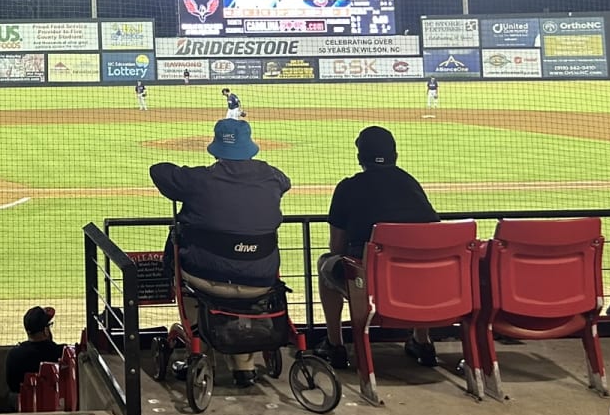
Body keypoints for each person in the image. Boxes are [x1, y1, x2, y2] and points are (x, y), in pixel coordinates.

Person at [150, 118, 290, 387]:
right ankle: (244, 365)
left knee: (187, 277)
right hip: (260, 281)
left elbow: (159, 171)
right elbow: (285, 181)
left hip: (205, 279)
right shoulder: (271, 176)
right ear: (250, 149)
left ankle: (200, 350)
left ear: (215, 150)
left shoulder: (199, 180)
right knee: (239, 287)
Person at [314, 126, 440, 370]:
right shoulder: (410, 184)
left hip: (370, 285)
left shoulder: (348, 187)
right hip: (420, 284)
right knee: (418, 266)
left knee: (325, 264)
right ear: (395, 154)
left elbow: (337, 247)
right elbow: (433, 233)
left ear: (360, 157)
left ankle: (335, 344)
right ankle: (422, 341)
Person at [4, 306, 65, 399]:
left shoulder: (13, 354)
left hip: (22, 405)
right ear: (45, 331)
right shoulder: (60, 353)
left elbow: (12, 386)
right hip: (51, 403)